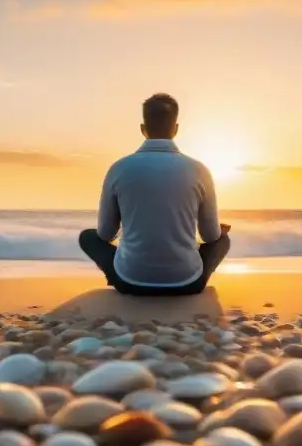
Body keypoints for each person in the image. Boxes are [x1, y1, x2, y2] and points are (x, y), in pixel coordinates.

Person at [78, 93, 231, 296]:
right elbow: (210, 236)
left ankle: (127, 270)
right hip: (187, 284)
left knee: (88, 237)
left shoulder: (119, 168)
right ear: (175, 129)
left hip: (129, 283)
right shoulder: (199, 170)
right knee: (223, 240)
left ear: (143, 129)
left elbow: (105, 234)